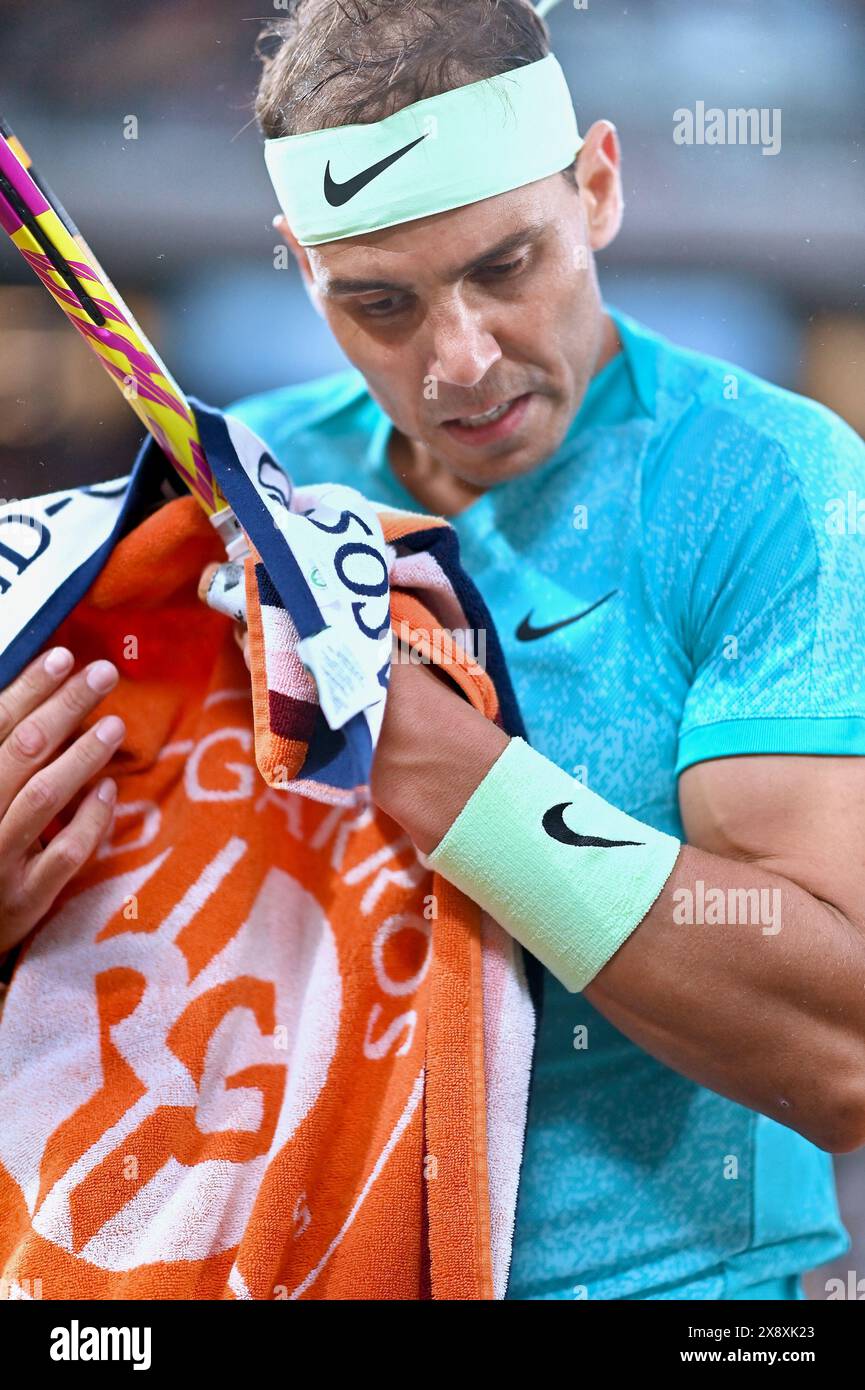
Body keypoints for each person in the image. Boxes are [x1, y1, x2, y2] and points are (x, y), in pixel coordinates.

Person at [1, 0, 863, 1300]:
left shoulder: (767, 485)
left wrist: (445, 771)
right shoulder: (231, 497)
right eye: (381, 301)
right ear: (300, 267)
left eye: (507, 266)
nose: (460, 360)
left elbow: (841, 1048)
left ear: (599, 186)